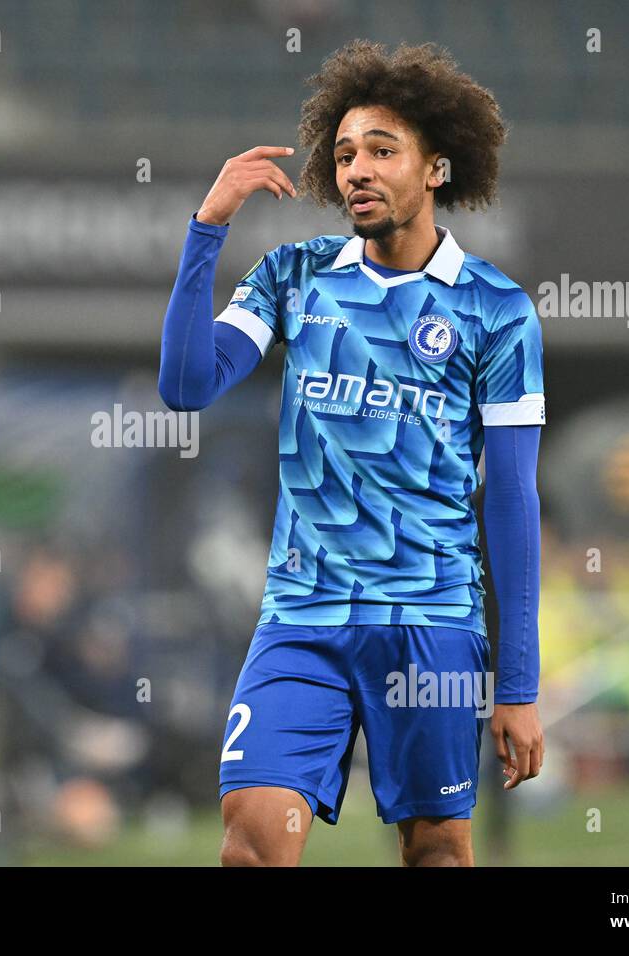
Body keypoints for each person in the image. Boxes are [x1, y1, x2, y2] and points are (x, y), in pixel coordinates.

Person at [158, 41, 544, 866]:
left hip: (431, 623)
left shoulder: (496, 312)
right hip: (303, 619)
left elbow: (510, 501)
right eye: (342, 155)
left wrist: (518, 685)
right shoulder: (294, 278)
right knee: (251, 846)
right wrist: (208, 228)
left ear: (437, 167)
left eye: (380, 150)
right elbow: (186, 386)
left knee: (436, 851)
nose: (356, 170)